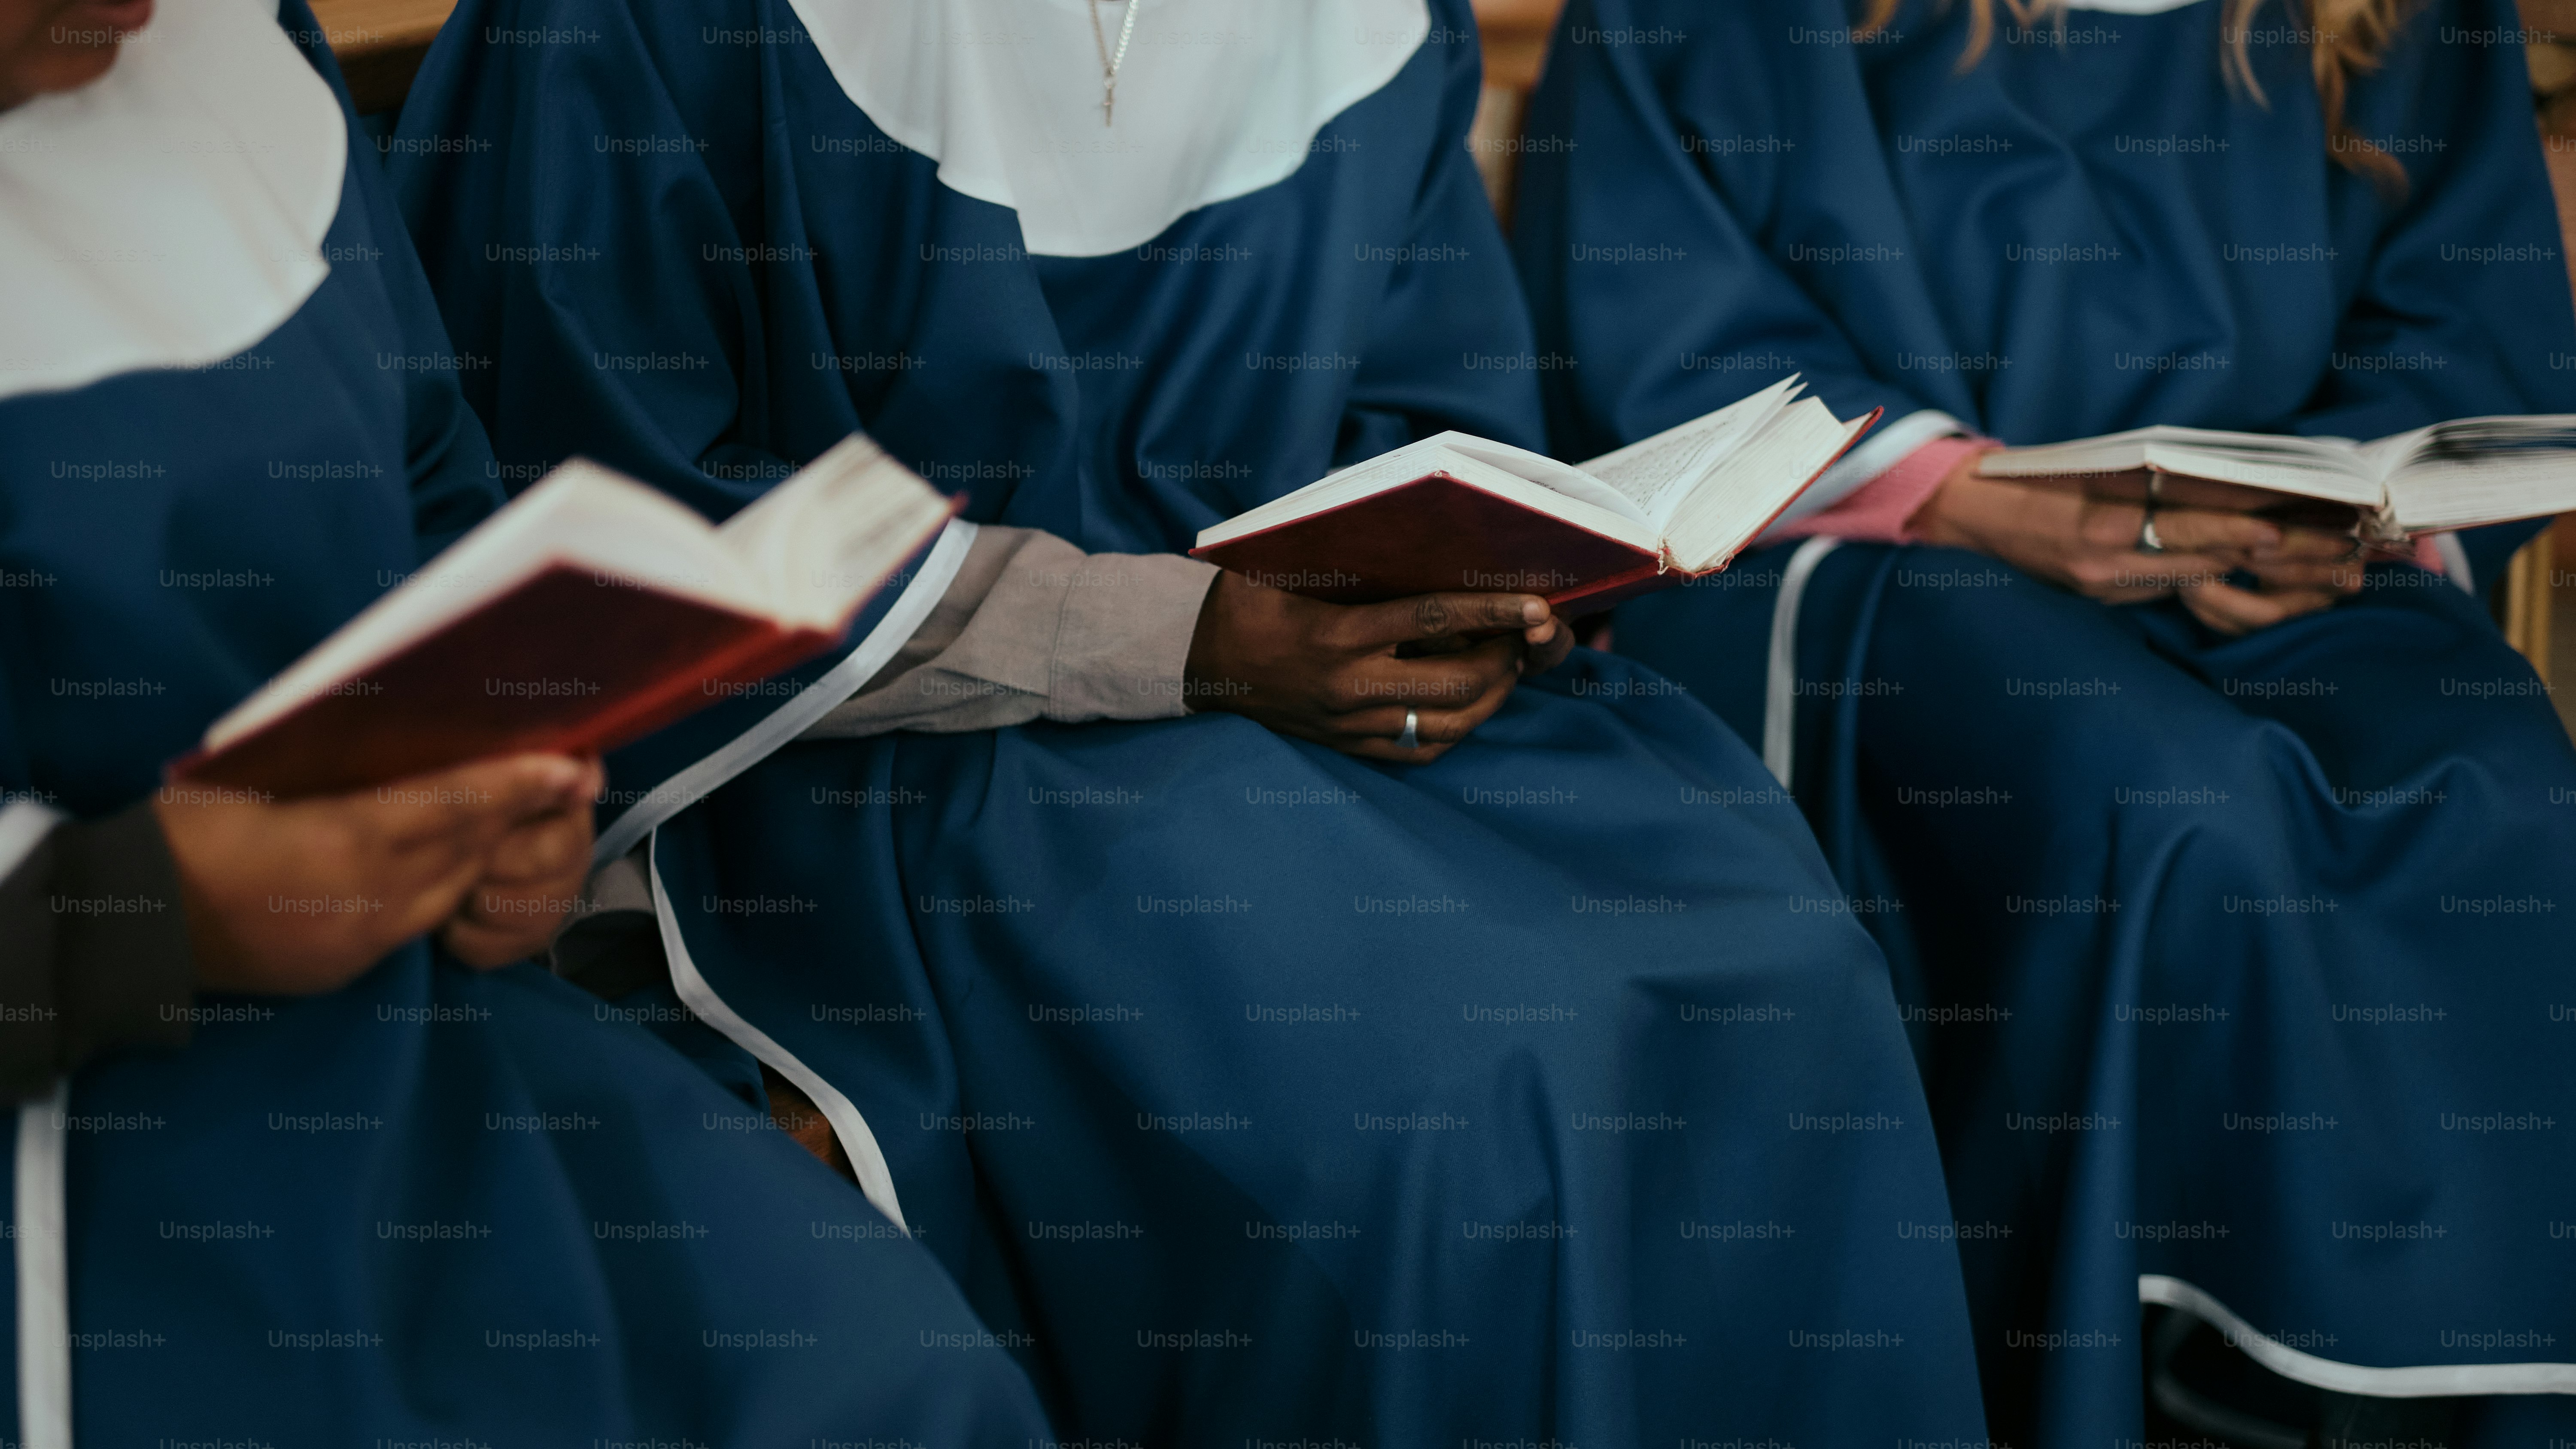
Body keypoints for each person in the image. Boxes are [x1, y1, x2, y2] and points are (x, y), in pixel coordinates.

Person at [388, 0, 1993, 1442]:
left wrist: (1459, 584)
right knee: (1448, 1095)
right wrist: (1179, 639)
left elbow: (1432, 405)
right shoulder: (634, 26)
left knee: (1789, 973)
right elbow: (618, 524)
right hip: (901, 737)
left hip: (1313, 678)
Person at [1513, 0, 2576, 1443]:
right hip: (1873, 545)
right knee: (2167, 803)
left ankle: (2433, 1398)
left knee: (2501, 790)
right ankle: (2115, 1394)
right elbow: (1665, 316)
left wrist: (2330, 514)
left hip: (2282, 561)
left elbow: (2464, 321)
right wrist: (1955, 491)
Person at [0, 0, 1055, 1439]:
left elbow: (431, 477)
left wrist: (513, 796)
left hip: (409, 1005)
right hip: (70, 1126)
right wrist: (150, 910)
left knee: (898, 1390)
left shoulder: (236, 39)